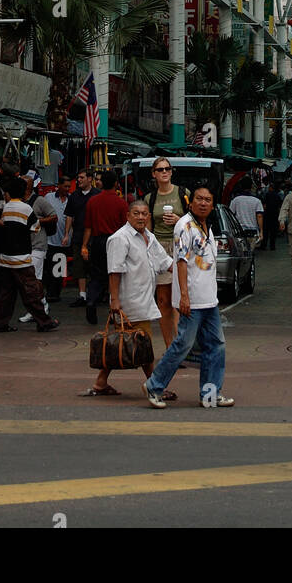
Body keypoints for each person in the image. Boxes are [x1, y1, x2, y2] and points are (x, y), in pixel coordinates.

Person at [142, 185, 234, 409]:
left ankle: (210, 394)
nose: (203, 203)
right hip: (191, 299)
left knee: (216, 345)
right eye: (199, 199)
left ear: (213, 205)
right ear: (190, 203)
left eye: (208, 199)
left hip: (209, 300)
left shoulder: (207, 226)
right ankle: (154, 385)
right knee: (182, 344)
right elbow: (181, 262)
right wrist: (183, 296)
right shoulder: (184, 226)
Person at [84, 200, 176, 399]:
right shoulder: (120, 238)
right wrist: (115, 300)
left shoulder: (149, 237)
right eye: (136, 213)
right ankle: (154, 385)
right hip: (129, 301)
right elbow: (114, 271)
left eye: (144, 214)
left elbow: (166, 263)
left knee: (123, 343)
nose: (141, 217)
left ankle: (101, 383)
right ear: (128, 216)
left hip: (144, 299)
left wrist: (189, 273)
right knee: (143, 343)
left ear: (149, 217)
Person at [0, 176, 60, 333]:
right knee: (31, 292)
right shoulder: (26, 208)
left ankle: (0, 324)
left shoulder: (7, 208)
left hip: (5, 258)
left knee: (6, 294)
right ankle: (44, 321)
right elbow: (35, 227)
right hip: (21, 258)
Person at [145, 156, 189, 347]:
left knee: (178, 299)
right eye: (160, 169)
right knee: (163, 300)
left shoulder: (183, 193)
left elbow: (193, 221)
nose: (164, 172)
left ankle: (180, 347)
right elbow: (146, 228)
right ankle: (169, 346)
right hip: (159, 248)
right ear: (154, 174)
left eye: (167, 169)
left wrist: (178, 219)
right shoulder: (150, 198)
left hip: (179, 246)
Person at [81, 168, 128, 324]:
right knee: (115, 276)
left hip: (97, 241)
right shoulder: (121, 203)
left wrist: (84, 246)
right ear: (116, 183)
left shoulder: (92, 201)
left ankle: (91, 301)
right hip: (115, 242)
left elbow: (87, 226)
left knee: (96, 276)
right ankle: (114, 311)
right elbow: (125, 227)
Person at [18, 171, 56, 323]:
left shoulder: (39, 201)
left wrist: (38, 221)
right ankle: (35, 309)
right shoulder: (19, 201)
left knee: (34, 278)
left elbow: (53, 216)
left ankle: (41, 307)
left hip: (38, 245)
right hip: (25, 245)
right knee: (29, 279)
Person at [62, 168, 97, 307]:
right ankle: (82, 295)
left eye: (82, 177)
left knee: (94, 266)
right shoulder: (74, 196)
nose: (79, 180)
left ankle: (94, 294)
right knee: (79, 266)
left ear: (90, 179)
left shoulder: (97, 195)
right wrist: (66, 234)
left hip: (95, 237)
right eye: (78, 178)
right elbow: (69, 216)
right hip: (78, 236)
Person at [45, 177, 70, 303]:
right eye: (65, 186)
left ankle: (55, 293)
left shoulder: (70, 199)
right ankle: (49, 292)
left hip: (64, 241)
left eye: (68, 187)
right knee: (49, 267)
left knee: (59, 269)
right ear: (59, 185)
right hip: (50, 239)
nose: (67, 189)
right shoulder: (49, 197)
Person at [229, 180, 264, 244]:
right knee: (250, 251)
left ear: (241, 186)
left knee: (241, 251)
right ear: (251, 187)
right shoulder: (257, 201)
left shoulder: (235, 200)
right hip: (253, 231)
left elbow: (231, 215)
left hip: (239, 230)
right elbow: (259, 216)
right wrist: (261, 231)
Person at [261, 184, 283, 250]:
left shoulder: (267, 195)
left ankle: (264, 245)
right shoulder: (277, 196)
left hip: (267, 215)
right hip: (275, 215)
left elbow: (264, 205)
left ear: (271, 188)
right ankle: (272, 246)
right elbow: (279, 206)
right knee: (273, 232)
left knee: (266, 232)